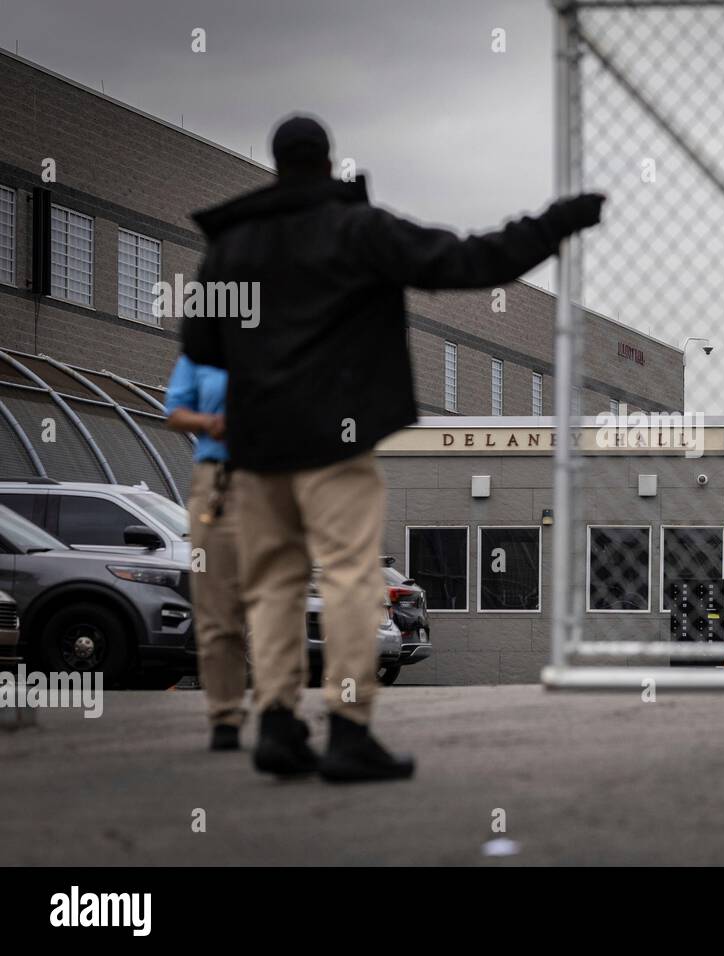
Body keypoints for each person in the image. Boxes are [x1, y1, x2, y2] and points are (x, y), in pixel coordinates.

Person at [181, 114, 604, 783]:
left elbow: (201, 344)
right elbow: (467, 261)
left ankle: (279, 723)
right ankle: (348, 731)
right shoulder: (358, 230)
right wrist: (557, 222)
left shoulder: (231, 248)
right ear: (328, 164)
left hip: (257, 445)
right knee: (349, 576)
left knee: (274, 586)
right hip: (336, 438)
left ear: (277, 165)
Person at [164, 354, 247, 751]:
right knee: (217, 605)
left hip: (275, 478)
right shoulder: (202, 351)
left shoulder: (284, 336)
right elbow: (175, 412)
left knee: (277, 602)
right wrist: (210, 422)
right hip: (218, 478)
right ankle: (225, 714)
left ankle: (280, 710)